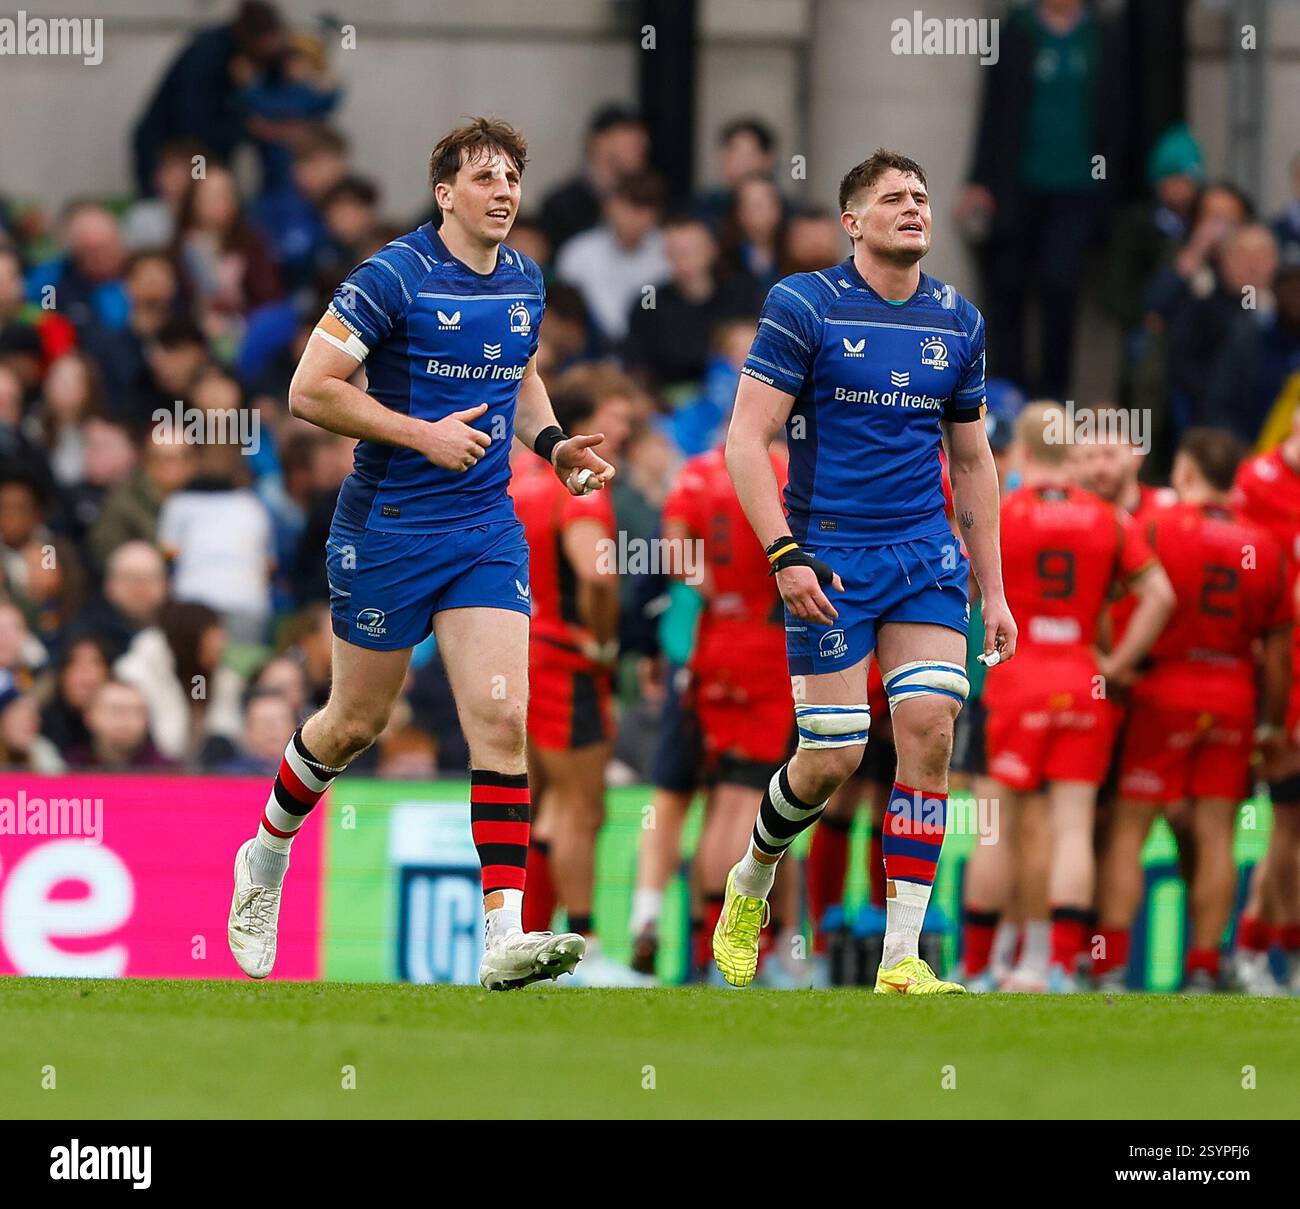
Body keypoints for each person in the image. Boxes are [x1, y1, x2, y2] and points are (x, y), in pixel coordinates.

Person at [226, 117, 615, 991]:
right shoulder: (392, 274)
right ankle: (265, 855)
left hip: (482, 529)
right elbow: (307, 390)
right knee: (353, 724)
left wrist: (551, 445)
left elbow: (515, 373)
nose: (505, 191)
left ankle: (501, 934)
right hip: (387, 528)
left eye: (513, 176)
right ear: (445, 194)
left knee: (501, 716)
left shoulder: (524, 278)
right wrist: (419, 434)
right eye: (485, 177)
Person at [712, 148, 1017, 994]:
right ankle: (753, 877)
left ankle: (901, 957)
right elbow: (745, 441)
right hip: (830, 556)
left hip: (923, 556)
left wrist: (992, 588)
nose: (914, 206)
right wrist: (784, 555)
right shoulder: (803, 303)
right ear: (853, 222)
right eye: (893, 198)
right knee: (833, 758)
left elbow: (972, 461)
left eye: (922, 195)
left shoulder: (959, 319)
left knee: (929, 733)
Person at [982, 403, 1173, 992]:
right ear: (1071, 452)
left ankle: (988, 962)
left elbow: (961, 589)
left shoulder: (999, 513)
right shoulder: (1108, 518)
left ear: (1020, 448)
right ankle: (1061, 965)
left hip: (1015, 676)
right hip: (1084, 680)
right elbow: (1161, 595)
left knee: (999, 826)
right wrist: (1115, 663)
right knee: (1072, 828)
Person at [1100, 430, 1290, 992]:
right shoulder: (1265, 544)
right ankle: (1205, 966)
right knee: (1216, 837)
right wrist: (1272, 723)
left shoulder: (1155, 529)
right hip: (1232, 696)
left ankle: (1108, 964)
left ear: (1183, 474)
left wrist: (1115, 666)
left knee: (1130, 831)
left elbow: (1114, 606)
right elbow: (1278, 653)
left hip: (1162, 690)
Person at [512, 374, 632, 985]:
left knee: (549, 806)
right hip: (567, 659)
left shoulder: (518, 486)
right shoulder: (580, 489)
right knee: (584, 808)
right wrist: (605, 640)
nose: (627, 428)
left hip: (519, 654)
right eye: (615, 417)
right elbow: (599, 574)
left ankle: (528, 942)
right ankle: (588, 947)